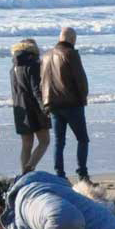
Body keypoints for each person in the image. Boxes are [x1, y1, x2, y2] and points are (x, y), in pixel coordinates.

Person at [40, 27, 91, 182]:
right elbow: (80, 79)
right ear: (72, 39)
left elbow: (42, 81)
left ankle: (60, 175)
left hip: (52, 104)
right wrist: (83, 97)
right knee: (82, 139)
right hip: (71, 103)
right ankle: (82, 174)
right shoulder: (71, 54)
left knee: (59, 142)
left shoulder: (46, 56)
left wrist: (45, 103)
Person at [8, 39, 52, 174]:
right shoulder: (33, 65)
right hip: (34, 109)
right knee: (44, 141)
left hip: (19, 108)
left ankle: (24, 173)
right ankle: (30, 167)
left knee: (26, 144)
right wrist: (45, 108)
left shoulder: (13, 68)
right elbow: (36, 90)